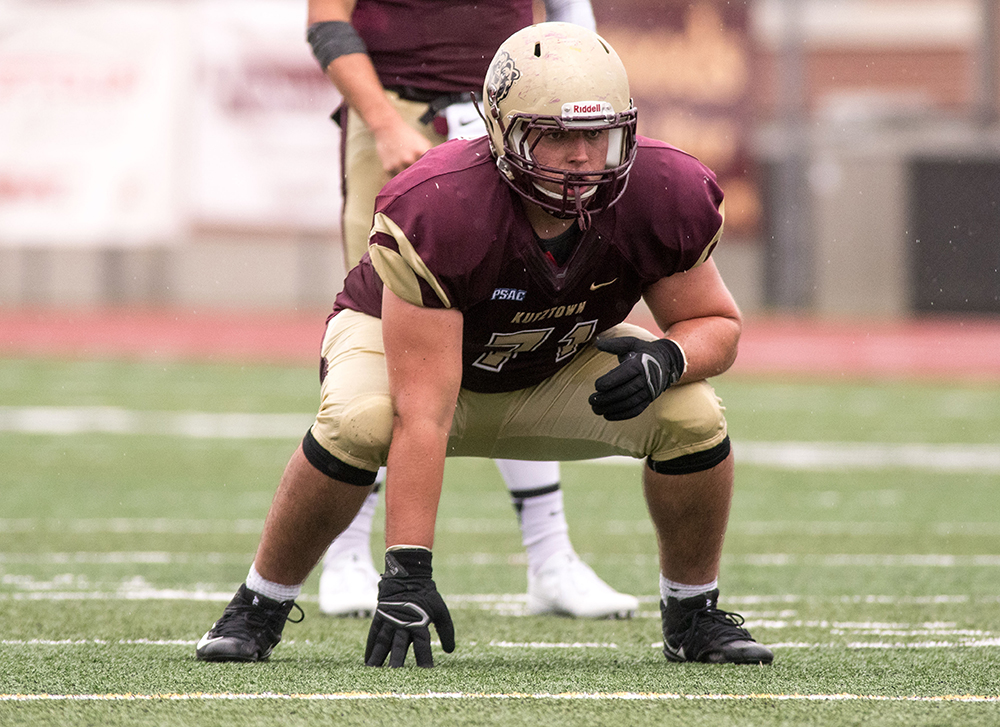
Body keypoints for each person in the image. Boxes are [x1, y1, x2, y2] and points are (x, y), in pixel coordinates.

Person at [196, 22, 774, 668]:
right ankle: (259, 603)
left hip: (552, 348)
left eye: (595, 135)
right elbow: (425, 409)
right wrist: (408, 570)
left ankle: (692, 615)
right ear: (501, 131)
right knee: (359, 419)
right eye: (554, 135)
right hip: (410, 358)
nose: (581, 158)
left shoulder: (663, 191)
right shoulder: (441, 206)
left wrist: (670, 358)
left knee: (693, 416)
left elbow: (716, 323)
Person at [306, 0, 637, 620]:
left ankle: (550, 556)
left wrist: (575, 105)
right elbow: (326, 21)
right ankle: (346, 552)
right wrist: (382, 120)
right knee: (383, 329)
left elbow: (569, 15)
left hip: (521, 111)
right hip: (396, 106)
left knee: (528, 324)